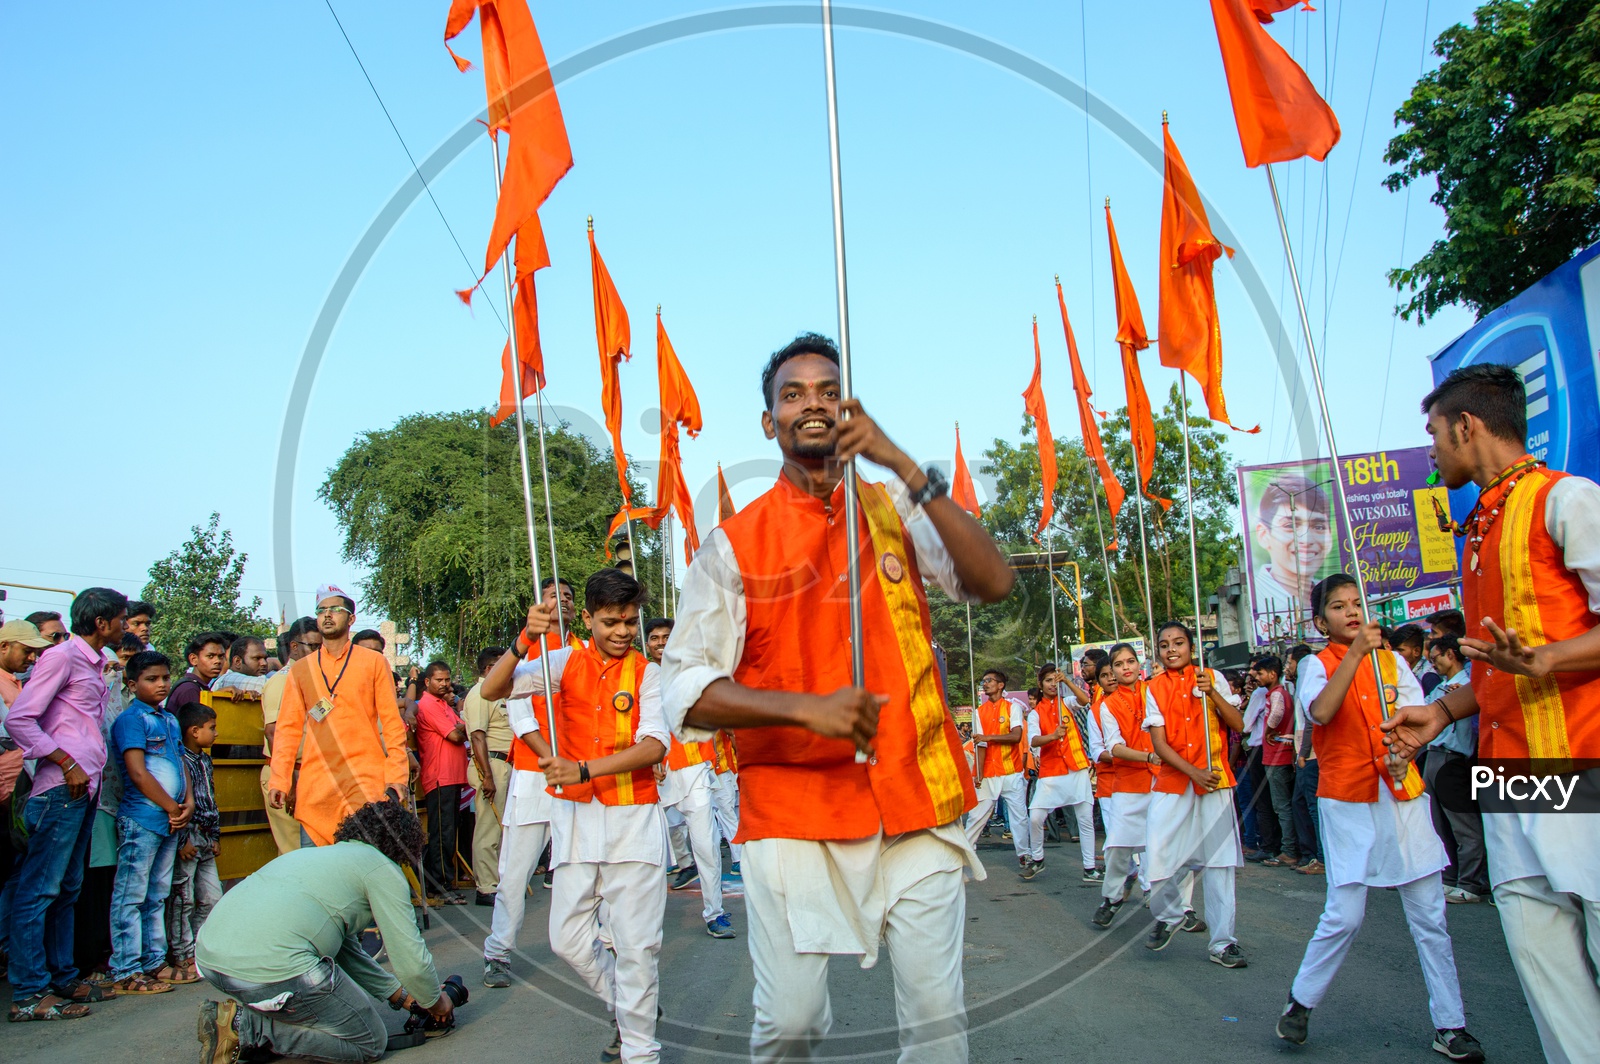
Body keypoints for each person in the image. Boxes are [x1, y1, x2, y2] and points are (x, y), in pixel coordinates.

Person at [661, 333, 1013, 1062]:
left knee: (937, 1018)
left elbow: (992, 583)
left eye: (827, 390)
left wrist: (903, 464)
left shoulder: (895, 508)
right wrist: (804, 710)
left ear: (848, 407)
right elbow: (686, 690)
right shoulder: (733, 543)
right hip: (794, 812)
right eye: (793, 395)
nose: (812, 403)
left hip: (915, 799)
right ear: (770, 423)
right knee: (791, 1026)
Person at [1381, 363, 1600, 1063]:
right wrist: (1443, 712)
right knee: (1546, 973)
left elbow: (1537, 659)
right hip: (1509, 778)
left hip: (1580, 769)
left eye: (1434, 435)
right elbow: (1498, 667)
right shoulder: (1477, 532)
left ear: (1467, 427)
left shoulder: (1567, 501)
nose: (1433, 451)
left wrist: (1547, 661)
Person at [1277, 574, 1483, 1062]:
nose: (1350, 611)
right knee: (1345, 915)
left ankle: (1450, 1024)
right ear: (1319, 620)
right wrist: (1355, 653)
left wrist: (1406, 752)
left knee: (1430, 915)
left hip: (1402, 795)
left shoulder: (1392, 661)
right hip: (1348, 800)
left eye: (1355, 604)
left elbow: (1419, 719)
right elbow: (1322, 713)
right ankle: (1302, 1000)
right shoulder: (1315, 665)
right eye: (1337, 606)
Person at [492, 571, 670, 1063]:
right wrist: (526, 637)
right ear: (587, 618)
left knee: (637, 948)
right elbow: (493, 689)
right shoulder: (562, 661)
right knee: (566, 939)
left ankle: (641, 1050)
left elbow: (653, 745)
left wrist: (583, 768)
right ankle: (627, 1007)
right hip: (575, 821)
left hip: (633, 818)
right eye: (611, 622)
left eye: (630, 622)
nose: (622, 632)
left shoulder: (649, 673)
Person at [194, 799, 454, 1063]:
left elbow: (346, 952)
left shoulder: (318, 856)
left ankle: (237, 1024)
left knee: (316, 1002)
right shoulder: (383, 868)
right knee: (369, 1042)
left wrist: (405, 998)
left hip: (212, 961)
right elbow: (410, 958)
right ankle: (245, 1027)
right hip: (270, 969)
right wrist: (435, 1001)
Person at [5, 588, 127, 1020]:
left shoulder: (94, 663)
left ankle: (60, 978)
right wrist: (65, 761)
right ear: (101, 623)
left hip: (82, 790)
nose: (125, 626)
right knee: (38, 891)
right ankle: (29, 995)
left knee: (66, 889)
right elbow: (19, 717)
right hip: (61, 789)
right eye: (121, 619)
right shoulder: (62, 657)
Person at [478, 581, 573, 989]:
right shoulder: (522, 653)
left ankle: (600, 943)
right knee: (515, 872)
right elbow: (519, 715)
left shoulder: (584, 651)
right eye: (553, 595)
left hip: (579, 776)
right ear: (539, 604)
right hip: (536, 776)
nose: (562, 601)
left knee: (586, 867)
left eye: (568, 597)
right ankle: (498, 952)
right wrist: (551, 757)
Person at [267, 586, 409, 848]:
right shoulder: (301, 670)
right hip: (317, 788)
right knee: (316, 876)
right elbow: (288, 729)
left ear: (351, 619)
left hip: (364, 783)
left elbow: (392, 725)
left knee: (362, 873)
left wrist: (397, 777)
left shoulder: (374, 662)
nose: (327, 615)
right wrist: (280, 779)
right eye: (321, 610)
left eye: (335, 609)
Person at [1143, 621, 1247, 968]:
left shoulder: (1211, 677)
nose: (1171, 649)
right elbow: (1159, 742)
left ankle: (1222, 943)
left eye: (1178, 643)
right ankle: (1172, 914)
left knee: (1220, 865)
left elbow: (1239, 724)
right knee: (1156, 854)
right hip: (1175, 782)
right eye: (1164, 644)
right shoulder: (1153, 687)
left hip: (1215, 780)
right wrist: (1193, 773)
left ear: (1191, 646)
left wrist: (1213, 693)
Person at [108, 649, 193, 995]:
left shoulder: (170, 720)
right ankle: (126, 968)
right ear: (132, 684)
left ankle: (154, 961)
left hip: (170, 818)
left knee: (157, 894)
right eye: (151, 679)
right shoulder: (132, 720)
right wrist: (172, 807)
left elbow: (180, 761)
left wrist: (185, 803)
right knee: (131, 894)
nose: (161, 684)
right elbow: (138, 773)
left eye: (164, 678)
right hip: (143, 818)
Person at [1092, 645, 1161, 925]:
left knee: (1169, 846)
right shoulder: (1106, 706)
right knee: (1118, 847)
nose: (1126, 668)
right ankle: (1112, 897)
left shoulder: (1156, 690)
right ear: (1112, 672)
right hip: (1128, 783)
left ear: (1139, 662)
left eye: (1131, 661)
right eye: (1119, 665)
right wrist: (1149, 756)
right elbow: (1115, 748)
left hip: (1163, 781)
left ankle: (1180, 907)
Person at [1421, 635, 1487, 904]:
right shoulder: (1440, 688)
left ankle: (1471, 883)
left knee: (1463, 825)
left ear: (1451, 654)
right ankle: (1450, 877)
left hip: (1454, 759)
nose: (1433, 664)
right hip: (1433, 756)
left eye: (1435, 658)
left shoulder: (1471, 685)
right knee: (1438, 824)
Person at [1023, 662, 1097, 881]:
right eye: (1048, 681)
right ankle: (1037, 859)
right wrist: (1053, 736)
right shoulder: (1036, 714)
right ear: (1041, 684)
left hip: (1076, 768)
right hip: (1051, 771)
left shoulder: (1066, 702)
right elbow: (1034, 740)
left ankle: (1090, 867)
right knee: (1036, 817)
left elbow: (1085, 701)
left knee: (1085, 819)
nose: (1052, 685)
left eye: (1055, 680)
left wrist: (1066, 681)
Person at [166, 700, 220, 985]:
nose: (216, 734)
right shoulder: (180, 760)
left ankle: (200, 949)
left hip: (206, 836)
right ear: (194, 731)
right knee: (183, 898)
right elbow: (181, 801)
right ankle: (182, 951)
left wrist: (215, 836)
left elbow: (210, 798)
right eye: (212, 728)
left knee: (211, 897)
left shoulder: (205, 760)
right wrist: (184, 839)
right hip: (189, 835)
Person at [259, 616, 319, 855]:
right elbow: (274, 733)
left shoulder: (311, 682)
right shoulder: (280, 682)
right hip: (289, 774)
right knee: (296, 852)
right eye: (313, 647)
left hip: (311, 774)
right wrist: (289, 785)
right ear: (294, 647)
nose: (319, 652)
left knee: (314, 854)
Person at [1251, 475, 1334, 638]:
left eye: (1318, 526)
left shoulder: (1331, 594)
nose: (1306, 539)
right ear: (1263, 535)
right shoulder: (1256, 597)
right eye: (1290, 526)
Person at [415, 661, 468, 905]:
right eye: (439, 680)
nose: (445, 684)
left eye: (447, 679)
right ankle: (439, 885)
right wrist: (463, 727)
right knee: (441, 832)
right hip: (439, 776)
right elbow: (457, 735)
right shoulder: (429, 704)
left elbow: (459, 729)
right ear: (427, 682)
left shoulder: (443, 704)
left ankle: (446, 881)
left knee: (449, 830)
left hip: (453, 775)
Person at [463, 646, 512, 906]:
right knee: (488, 828)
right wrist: (488, 777)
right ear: (490, 669)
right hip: (491, 764)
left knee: (501, 828)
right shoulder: (481, 693)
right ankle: (486, 887)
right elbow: (477, 736)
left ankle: (497, 881)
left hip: (504, 764)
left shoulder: (497, 693)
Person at [966, 669, 1028, 863]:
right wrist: (979, 773)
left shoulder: (1012, 708)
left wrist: (988, 737)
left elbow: (1016, 736)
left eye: (989, 681)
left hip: (1011, 770)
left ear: (1000, 685)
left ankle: (1025, 856)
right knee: (976, 816)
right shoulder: (978, 712)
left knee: (1019, 816)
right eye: (983, 681)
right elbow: (980, 744)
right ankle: (964, 854)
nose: (985, 684)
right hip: (990, 773)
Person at [1253, 655, 1300, 869]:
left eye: (1261, 673)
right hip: (1280, 754)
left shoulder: (1277, 694)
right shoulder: (1280, 693)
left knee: (1282, 806)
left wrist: (1270, 729)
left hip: (1277, 756)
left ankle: (1289, 851)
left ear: (1272, 674)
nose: (1258, 677)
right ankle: (1288, 848)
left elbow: (1277, 714)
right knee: (1283, 806)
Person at [1285, 644, 1325, 876]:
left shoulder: (1310, 682)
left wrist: (1302, 753)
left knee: (1313, 807)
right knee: (1299, 804)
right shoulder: (1297, 684)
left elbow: (1311, 721)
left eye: (1290, 662)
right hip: (1302, 753)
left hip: (1311, 755)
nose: (1287, 667)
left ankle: (1321, 857)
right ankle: (1309, 854)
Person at [168, 632, 229, 719]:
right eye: (210, 656)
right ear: (194, 659)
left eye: (221, 656)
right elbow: (198, 729)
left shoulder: (199, 686)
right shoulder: (189, 689)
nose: (218, 661)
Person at [1393, 624, 1441, 697]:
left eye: (1400, 650)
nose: (1395, 654)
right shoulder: (1406, 671)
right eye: (1393, 650)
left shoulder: (1429, 677)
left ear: (1416, 651)